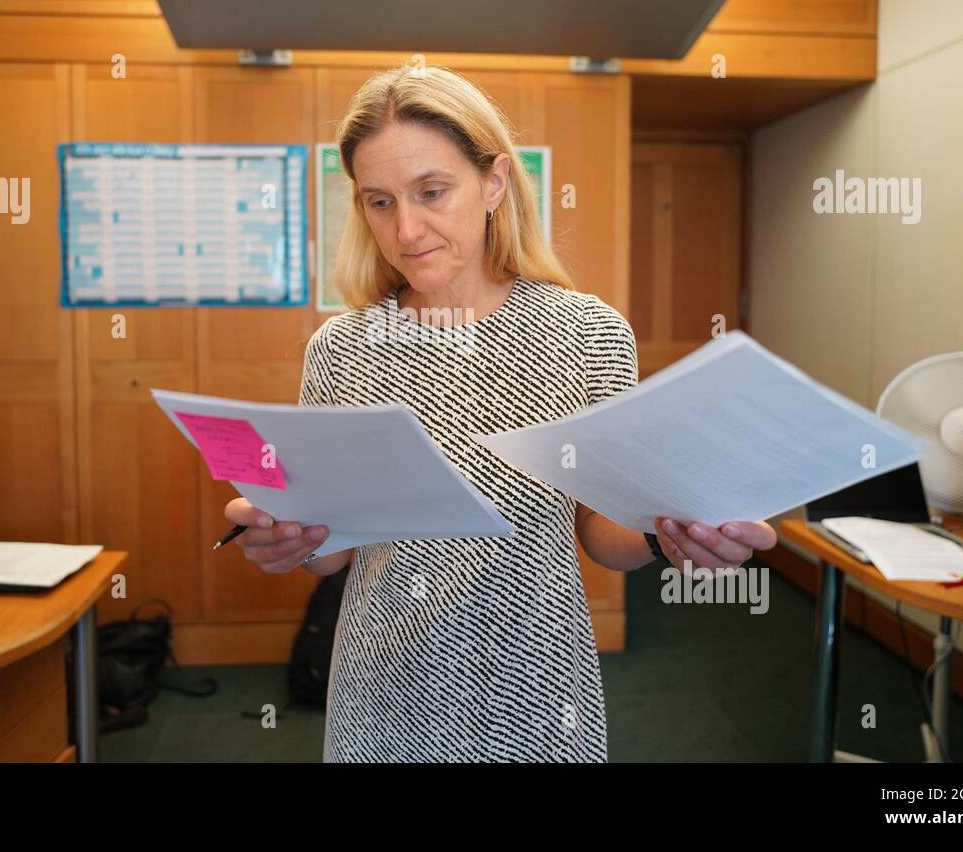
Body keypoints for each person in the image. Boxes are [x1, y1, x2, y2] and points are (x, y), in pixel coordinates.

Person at [224, 64, 776, 762]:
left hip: (537, 681)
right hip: (386, 681)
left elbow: (602, 532)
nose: (407, 228)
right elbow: (331, 549)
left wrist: (671, 535)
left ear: (494, 183)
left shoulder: (587, 332)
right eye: (379, 202)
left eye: (431, 192)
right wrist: (286, 538)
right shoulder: (342, 349)